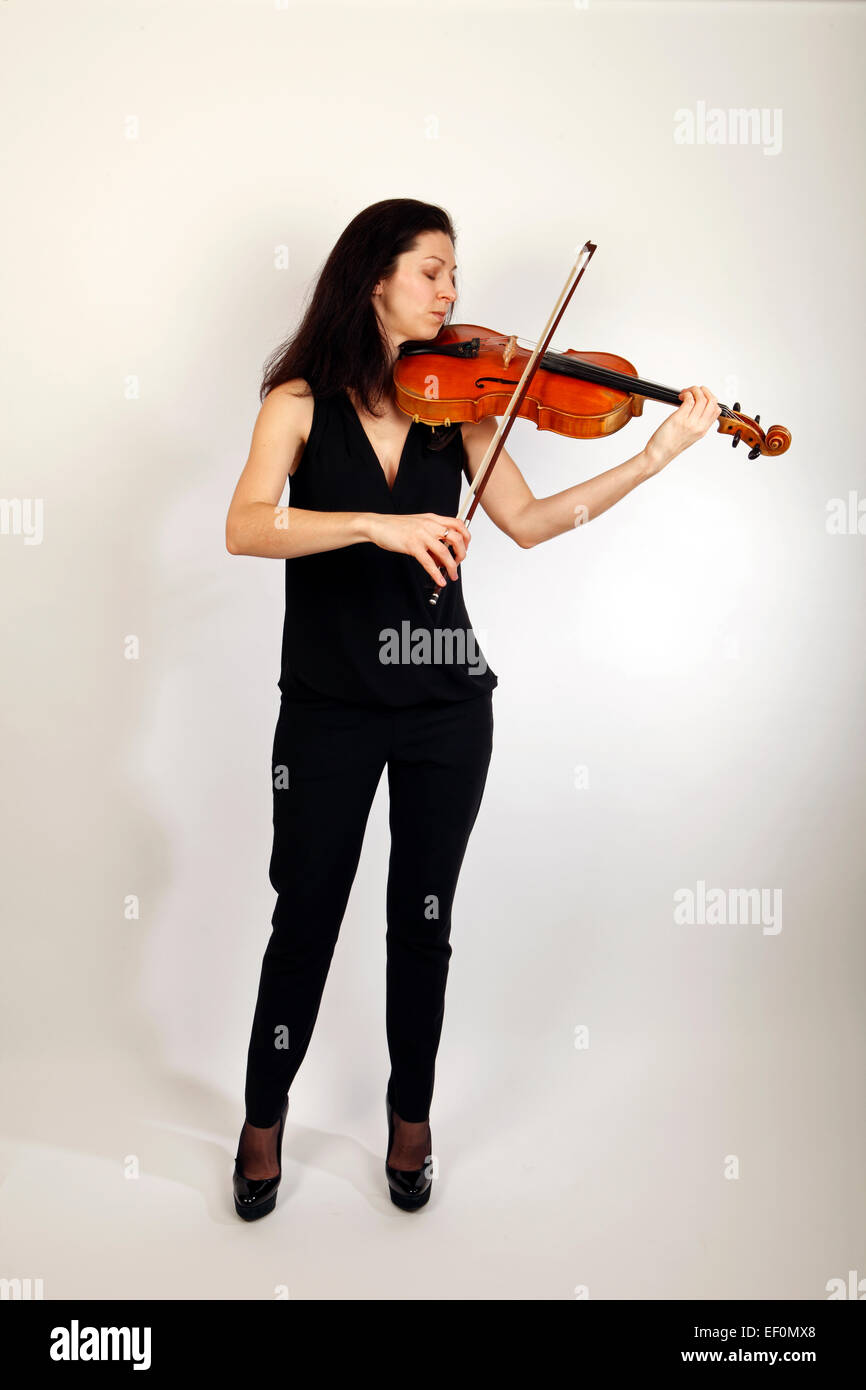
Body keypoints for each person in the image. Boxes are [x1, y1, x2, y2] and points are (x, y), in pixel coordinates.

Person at [225, 197, 720, 1218]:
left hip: (447, 706)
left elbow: (532, 522)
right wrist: (375, 523)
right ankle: (262, 1116)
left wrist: (654, 452)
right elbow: (244, 527)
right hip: (325, 709)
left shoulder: (462, 406)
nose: (454, 294)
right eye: (433, 271)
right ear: (374, 279)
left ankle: (412, 1119)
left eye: (455, 275)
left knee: (423, 919)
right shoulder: (297, 402)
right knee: (303, 917)